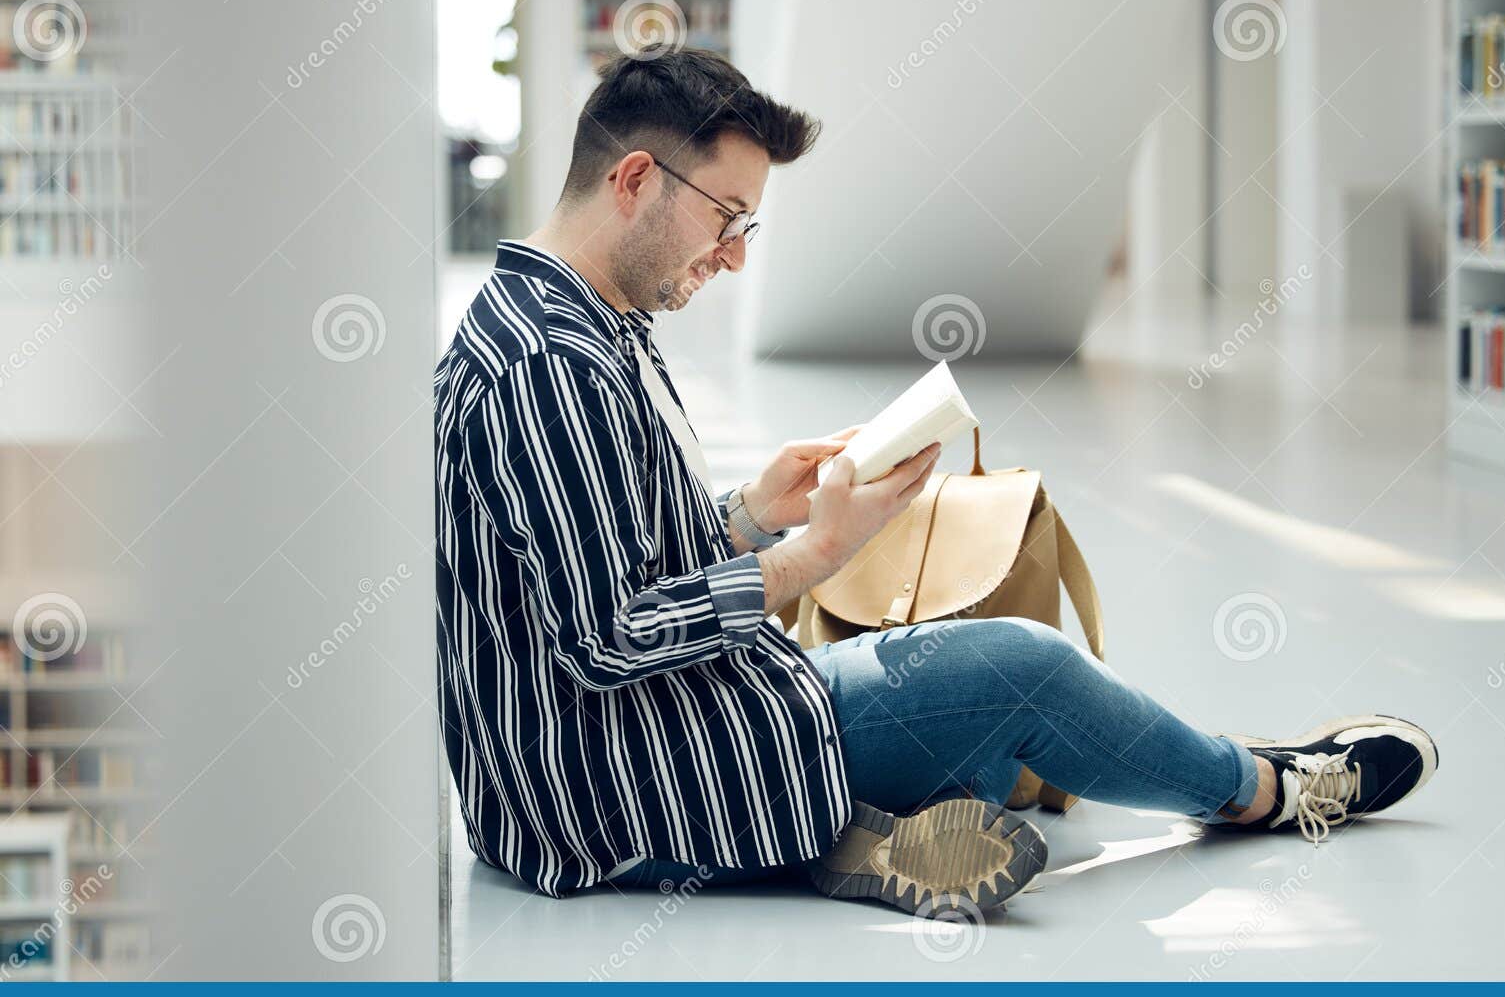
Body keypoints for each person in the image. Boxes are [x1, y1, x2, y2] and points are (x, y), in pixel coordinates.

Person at [433, 45, 1438, 919]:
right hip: (634, 788)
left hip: (645, 745)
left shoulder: (565, 322)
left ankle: (866, 833)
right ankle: (1271, 787)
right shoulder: (550, 365)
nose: (734, 256)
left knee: (979, 698)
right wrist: (814, 554)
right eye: (727, 216)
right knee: (1021, 672)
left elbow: (602, 564)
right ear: (636, 178)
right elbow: (609, 634)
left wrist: (744, 516)